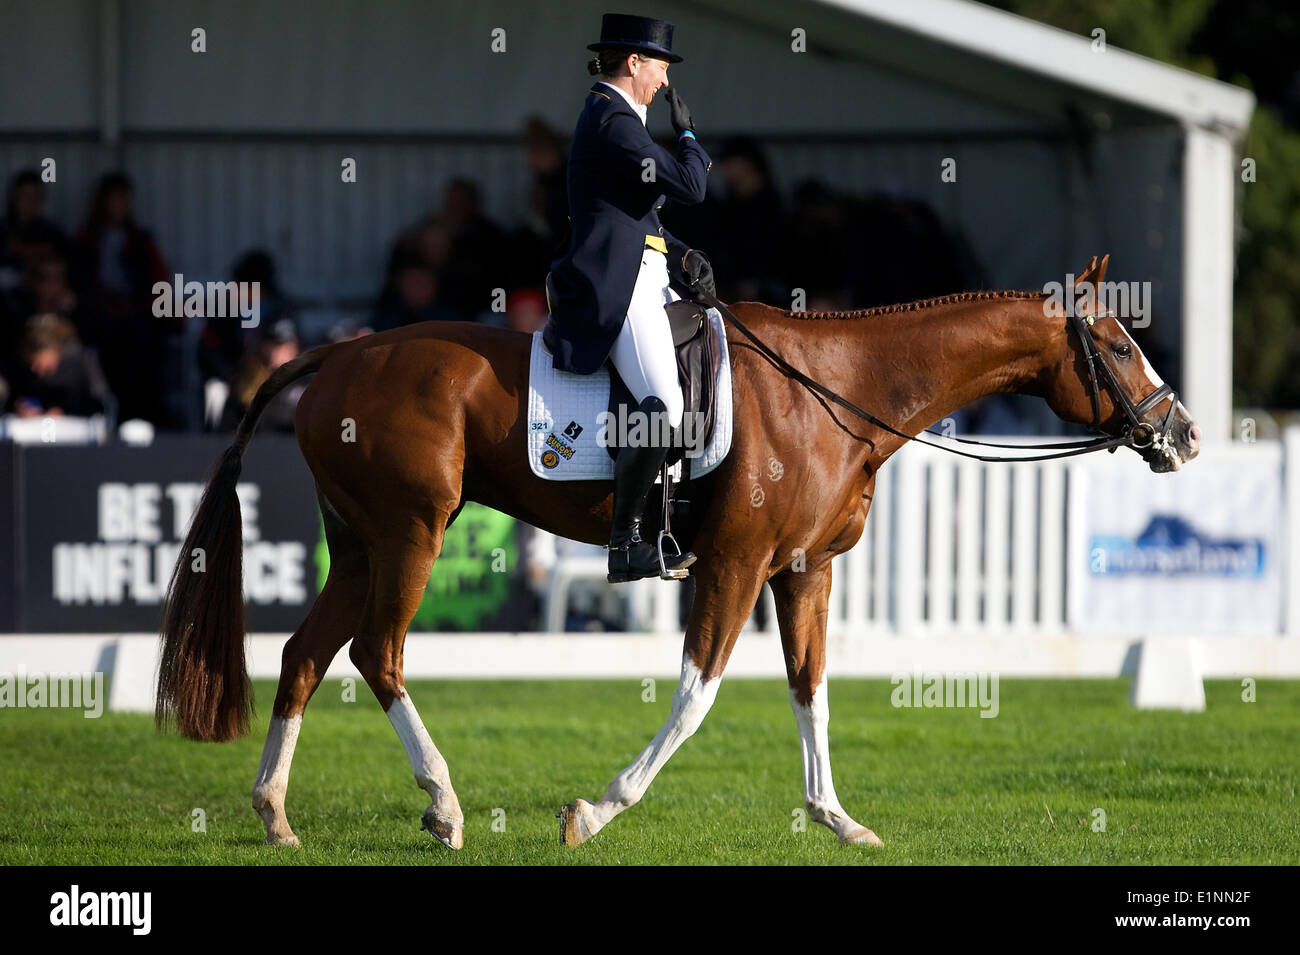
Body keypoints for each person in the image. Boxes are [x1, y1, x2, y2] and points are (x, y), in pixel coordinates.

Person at [545, 13, 716, 583]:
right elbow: (691, 186)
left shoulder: (619, 119)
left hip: (648, 273)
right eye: (661, 69)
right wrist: (689, 137)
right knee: (665, 410)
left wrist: (682, 252)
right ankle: (627, 543)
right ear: (635, 62)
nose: (666, 84)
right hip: (618, 288)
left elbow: (634, 217)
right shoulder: (612, 118)